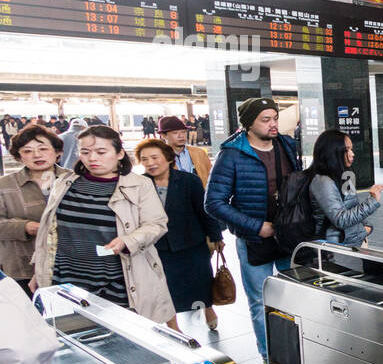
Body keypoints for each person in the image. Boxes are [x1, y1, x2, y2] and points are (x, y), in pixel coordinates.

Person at [31, 125, 176, 326]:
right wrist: (39, 270)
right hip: (67, 280)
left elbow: (156, 224)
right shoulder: (64, 183)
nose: (92, 158)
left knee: (121, 341)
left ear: (119, 153)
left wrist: (128, 240)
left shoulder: (138, 184)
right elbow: (50, 230)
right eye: (85, 152)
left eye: (101, 152)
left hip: (117, 282)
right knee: (76, 341)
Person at [205, 97, 300, 364]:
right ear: (249, 123)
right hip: (254, 240)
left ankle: (297, 354)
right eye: (265, 119)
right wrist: (257, 226)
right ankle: (269, 359)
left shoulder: (286, 145)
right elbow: (214, 202)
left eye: (274, 118)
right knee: (260, 302)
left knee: (294, 299)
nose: (273, 124)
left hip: (287, 235)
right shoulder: (232, 154)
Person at [137, 139, 224, 331]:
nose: (150, 163)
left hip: (191, 242)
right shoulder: (140, 185)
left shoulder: (188, 181)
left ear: (168, 158)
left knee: (200, 281)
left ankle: (208, 309)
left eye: (154, 157)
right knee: (165, 288)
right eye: (144, 159)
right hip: (159, 246)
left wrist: (216, 236)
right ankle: (173, 325)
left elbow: (204, 212)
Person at [0, 124, 70, 293]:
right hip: (21, 269)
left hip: (70, 268)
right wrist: (26, 227)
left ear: (58, 152)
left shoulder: (74, 180)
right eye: (27, 151)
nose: (36, 155)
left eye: (43, 148)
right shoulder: (4, 185)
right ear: (18, 157)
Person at [308, 130, 382, 246]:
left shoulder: (346, 174)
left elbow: (352, 205)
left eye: (351, 149)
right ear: (332, 152)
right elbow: (340, 219)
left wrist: (365, 228)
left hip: (356, 240)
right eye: (347, 150)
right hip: (336, 248)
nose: (352, 154)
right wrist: (372, 201)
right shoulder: (323, 181)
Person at [157, 114, 212, 185]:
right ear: (163, 135)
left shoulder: (199, 153)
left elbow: (211, 176)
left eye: (184, 132)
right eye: (175, 133)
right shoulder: (159, 157)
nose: (181, 136)